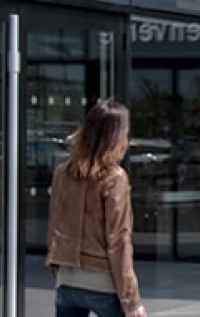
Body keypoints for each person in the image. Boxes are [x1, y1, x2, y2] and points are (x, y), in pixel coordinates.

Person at [48, 99, 148, 317]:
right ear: (115, 138)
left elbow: (55, 227)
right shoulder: (114, 178)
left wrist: (60, 272)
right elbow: (118, 241)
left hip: (67, 280)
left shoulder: (62, 173)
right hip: (104, 284)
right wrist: (132, 302)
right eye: (126, 133)